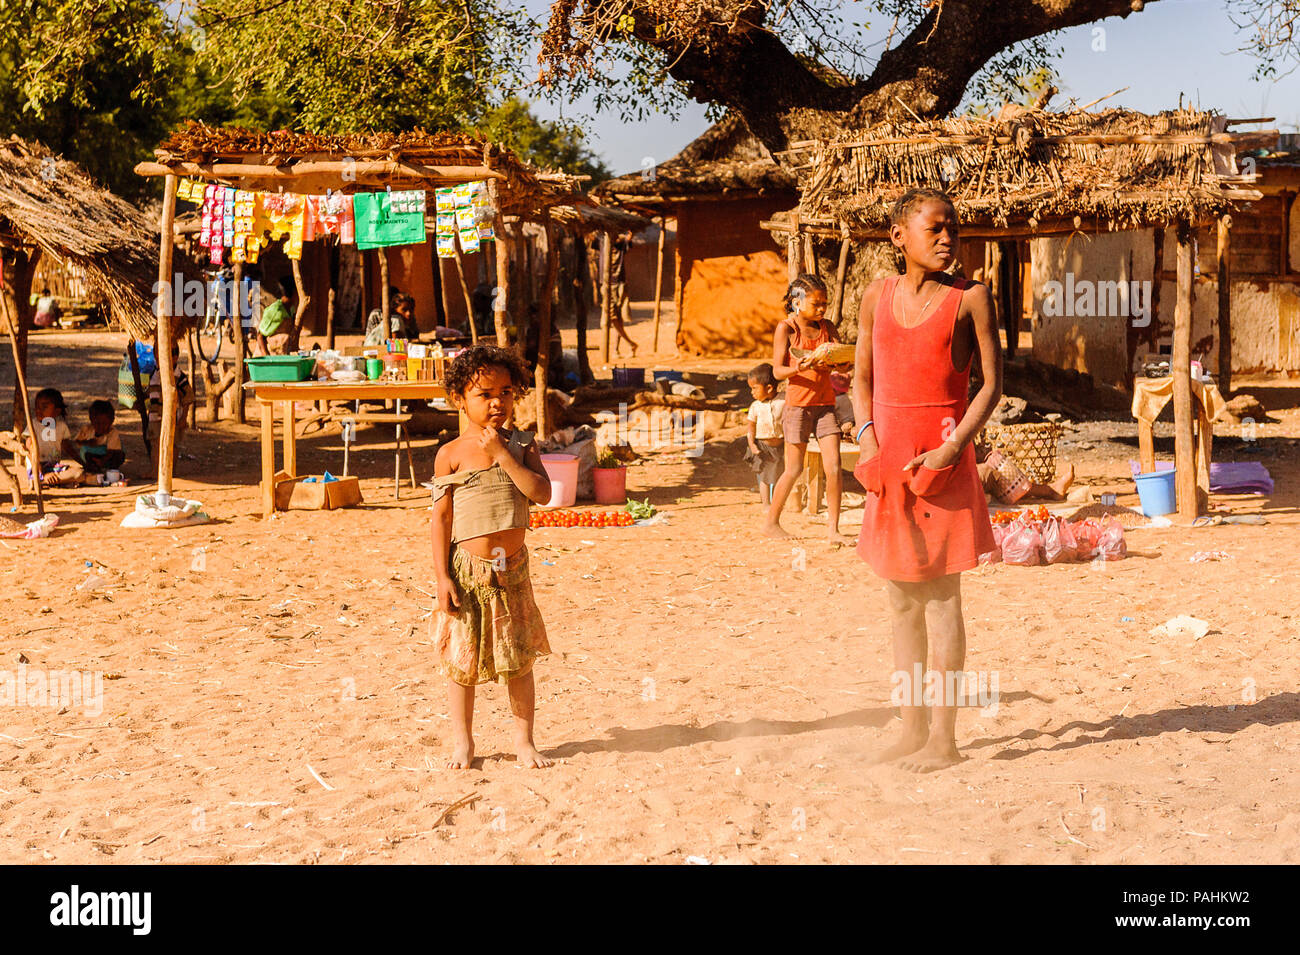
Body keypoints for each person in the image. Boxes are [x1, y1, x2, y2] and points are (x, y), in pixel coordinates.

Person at [852, 187, 1002, 773]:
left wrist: (951, 448)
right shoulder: (874, 296)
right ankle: (910, 725)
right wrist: (866, 437)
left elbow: (990, 384)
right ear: (899, 238)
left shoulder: (970, 299)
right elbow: (860, 376)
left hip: (941, 462)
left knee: (942, 601)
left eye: (953, 230)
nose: (947, 239)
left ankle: (944, 738)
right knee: (898, 603)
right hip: (888, 463)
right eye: (934, 229)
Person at [430, 344, 555, 770]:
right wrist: (442, 577)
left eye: (505, 391)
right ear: (459, 399)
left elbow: (542, 494)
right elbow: (441, 518)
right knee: (462, 660)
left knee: (518, 658)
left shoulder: (521, 443)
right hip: (467, 572)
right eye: (484, 394)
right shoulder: (449, 454)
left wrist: (504, 455)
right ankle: (463, 743)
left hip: (512, 570)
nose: (497, 402)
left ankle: (524, 742)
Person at [762, 274, 847, 541]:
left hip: (825, 405)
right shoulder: (787, 329)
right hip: (798, 406)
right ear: (797, 302)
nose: (822, 309)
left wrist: (842, 364)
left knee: (834, 466)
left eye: (825, 303)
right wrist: (800, 366)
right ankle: (771, 522)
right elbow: (776, 371)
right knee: (794, 468)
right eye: (816, 303)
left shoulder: (828, 327)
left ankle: (833, 529)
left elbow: (840, 363)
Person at [22, 388, 81, 487]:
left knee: (79, 473)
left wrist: (84, 464)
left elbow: (69, 449)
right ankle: (41, 480)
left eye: (44, 407)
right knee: (77, 477)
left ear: (57, 411)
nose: (38, 410)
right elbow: (29, 450)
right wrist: (42, 474)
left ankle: (48, 482)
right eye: (36, 407)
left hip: (53, 467)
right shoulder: (33, 425)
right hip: (36, 467)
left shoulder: (61, 427)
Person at [744, 362, 785, 504]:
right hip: (763, 447)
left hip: (782, 446)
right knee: (764, 477)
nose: (751, 392)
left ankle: (778, 502)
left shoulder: (784, 401)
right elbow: (751, 428)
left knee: (780, 474)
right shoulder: (755, 406)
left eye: (755, 388)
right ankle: (766, 504)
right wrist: (752, 445)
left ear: (769, 388)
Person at [73, 399, 126, 485]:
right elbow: (77, 442)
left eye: (104, 423)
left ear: (112, 420)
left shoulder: (113, 432)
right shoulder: (87, 429)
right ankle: (94, 470)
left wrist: (102, 460)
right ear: (91, 420)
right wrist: (87, 443)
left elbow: (111, 451)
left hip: (108, 454)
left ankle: (111, 470)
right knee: (87, 454)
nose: (101, 426)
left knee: (119, 454)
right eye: (97, 423)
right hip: (92, 455)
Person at [608, 232, 638, 357]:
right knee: (614, 318)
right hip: (608, 284)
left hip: (619, 284)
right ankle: (628, 345)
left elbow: (630, 237)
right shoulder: (603, 243)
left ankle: (619, 348)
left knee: (616, 317)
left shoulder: (621, 244)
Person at [255, 279, 294, 355]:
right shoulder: (275, 310)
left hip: (281, 353)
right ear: (293, 293)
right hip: (268, 355)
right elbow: (260, 336)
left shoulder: (291, 309)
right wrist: (266, 357)